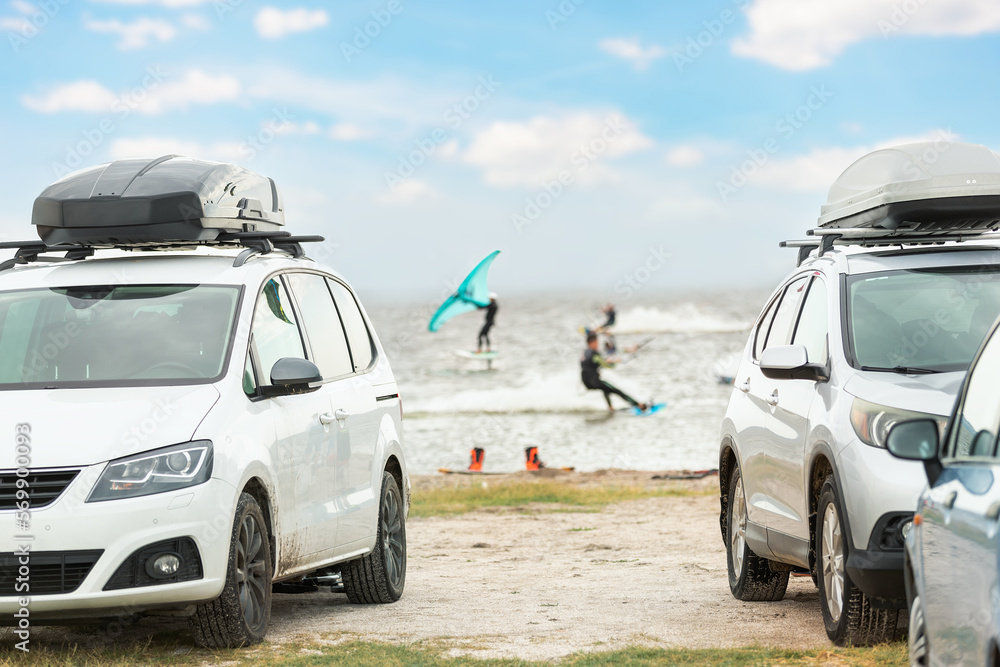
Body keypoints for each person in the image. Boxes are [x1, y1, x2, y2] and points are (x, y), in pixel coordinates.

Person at [581, 333, 648, 412]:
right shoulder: (594, 353)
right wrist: (615, 361)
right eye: (597, 342)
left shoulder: (585, 352)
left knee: (605, 388)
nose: (598, 344)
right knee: (617, 391)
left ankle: (610, 407)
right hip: (594, 382)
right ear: (592, 342)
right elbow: (607, 365)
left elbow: (590, 364)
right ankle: (639, 405)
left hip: (586, 381)